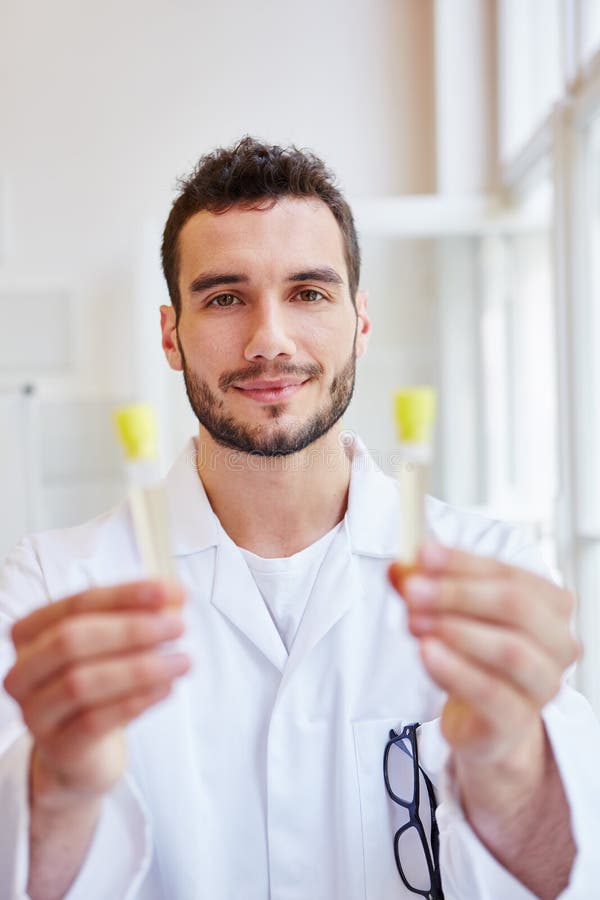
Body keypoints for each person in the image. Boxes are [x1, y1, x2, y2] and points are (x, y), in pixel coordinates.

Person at [0, 137, 599, 900]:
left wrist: (510, 771)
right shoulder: (57, 588)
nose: (269, 341)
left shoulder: (491, 571)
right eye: (224, 297)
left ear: (361, 321)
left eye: (309, 293)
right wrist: (61, 788)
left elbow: (573, 877)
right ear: (169, 333)